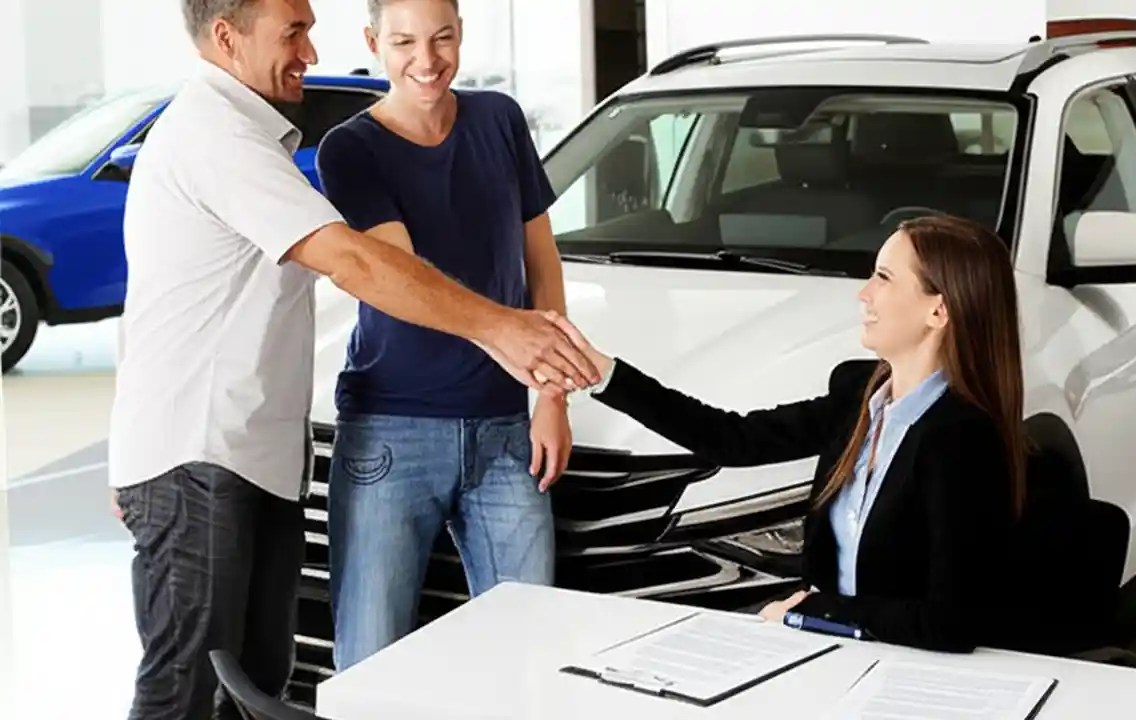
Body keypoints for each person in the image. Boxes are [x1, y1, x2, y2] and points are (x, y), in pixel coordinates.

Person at [107, 1, 598, 718]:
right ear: (225, 36)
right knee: (189, 691)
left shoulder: (248, 132)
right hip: (200, 453)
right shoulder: (216, 136)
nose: (311, 48)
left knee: (257, 683)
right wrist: (504, 329)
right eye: (294, 32)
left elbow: (159, 305)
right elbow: (355, 262)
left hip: (246, 455)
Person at [552, 214, 1029, 653]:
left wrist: (812, 611)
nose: (864, 294)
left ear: (938, 312)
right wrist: (603, 374)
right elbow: (731, 438)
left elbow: (951, 624)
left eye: (883, 278)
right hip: (826, 649)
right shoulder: (858, 395)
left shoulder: (962, 439)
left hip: (901, 669)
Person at [311, 0, 572, 671]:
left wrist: (552, 395)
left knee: (530, 653)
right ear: (373, 41)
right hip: (391, 435)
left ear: (461, 35)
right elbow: (398, 276)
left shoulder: (499, 119)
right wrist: (506, 336)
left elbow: (542, 262)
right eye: (402, 42)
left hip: (505, 431)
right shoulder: (352, 149)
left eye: (442, 38)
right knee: (371, 661)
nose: (426, 61)